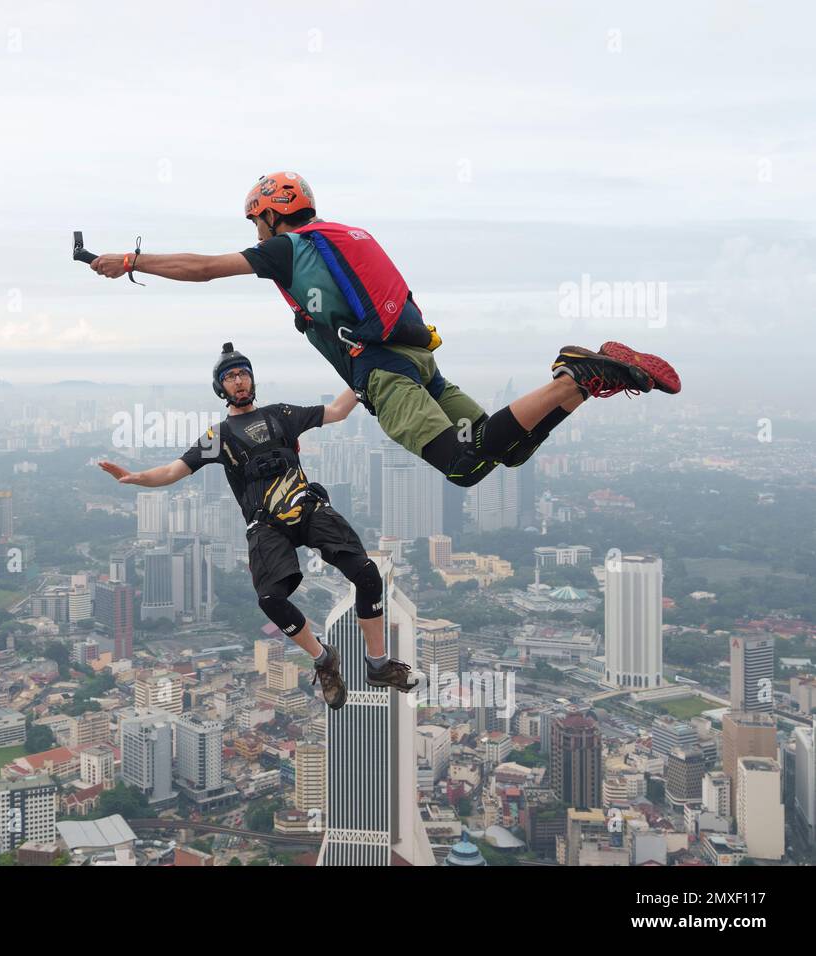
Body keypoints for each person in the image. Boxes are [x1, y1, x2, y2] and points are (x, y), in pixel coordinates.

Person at [90, 172, 681, 487]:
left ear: (270, 213)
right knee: (511, 451)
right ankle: (579, 381)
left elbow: (204, 269)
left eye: (257, 221)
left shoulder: (287, 251)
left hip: (389, 371)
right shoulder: (345, 236)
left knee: (465, 463)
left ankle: (571, 376)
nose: (258, 231)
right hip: (421, 359)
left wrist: (131, 261)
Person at [97, 342, 420, 710]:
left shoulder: (280, 414)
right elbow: (174, 470)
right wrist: (135, 477)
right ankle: (323, 659)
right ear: (221, 388)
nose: (239, 380)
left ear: (252, 379)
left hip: (308, 508)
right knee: (270, 599)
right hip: (267, 526)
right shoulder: (218, 436)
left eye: (243, 373)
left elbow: (336, 411)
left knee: (366, 574)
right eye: (230, 376)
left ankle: (377, 666)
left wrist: (367, 368)